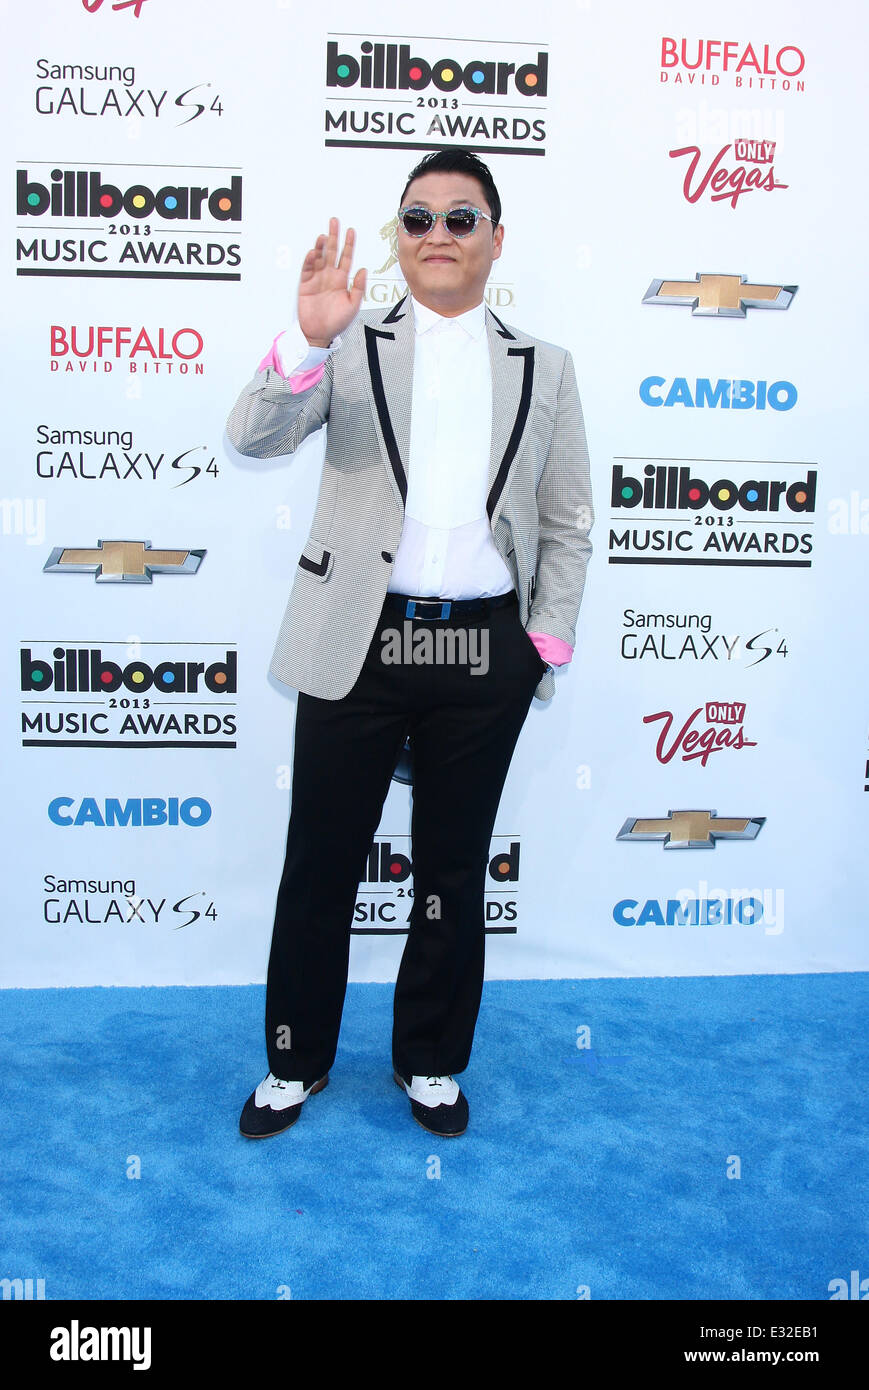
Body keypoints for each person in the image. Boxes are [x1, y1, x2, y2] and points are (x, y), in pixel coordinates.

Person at [227, 148, 593, 1139]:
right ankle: (296, 1059)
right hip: (359, 637)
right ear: (398, 238)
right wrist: (302, 345)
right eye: (418, 218)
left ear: (494, 240)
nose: (438, 235)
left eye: (460, 218)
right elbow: (254, 437)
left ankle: (429, 1057)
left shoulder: (545, 369)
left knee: (449, 868)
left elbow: (565, 520)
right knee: (321, 862)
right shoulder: (346, 344)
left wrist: (542, 642)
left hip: (484, 652)